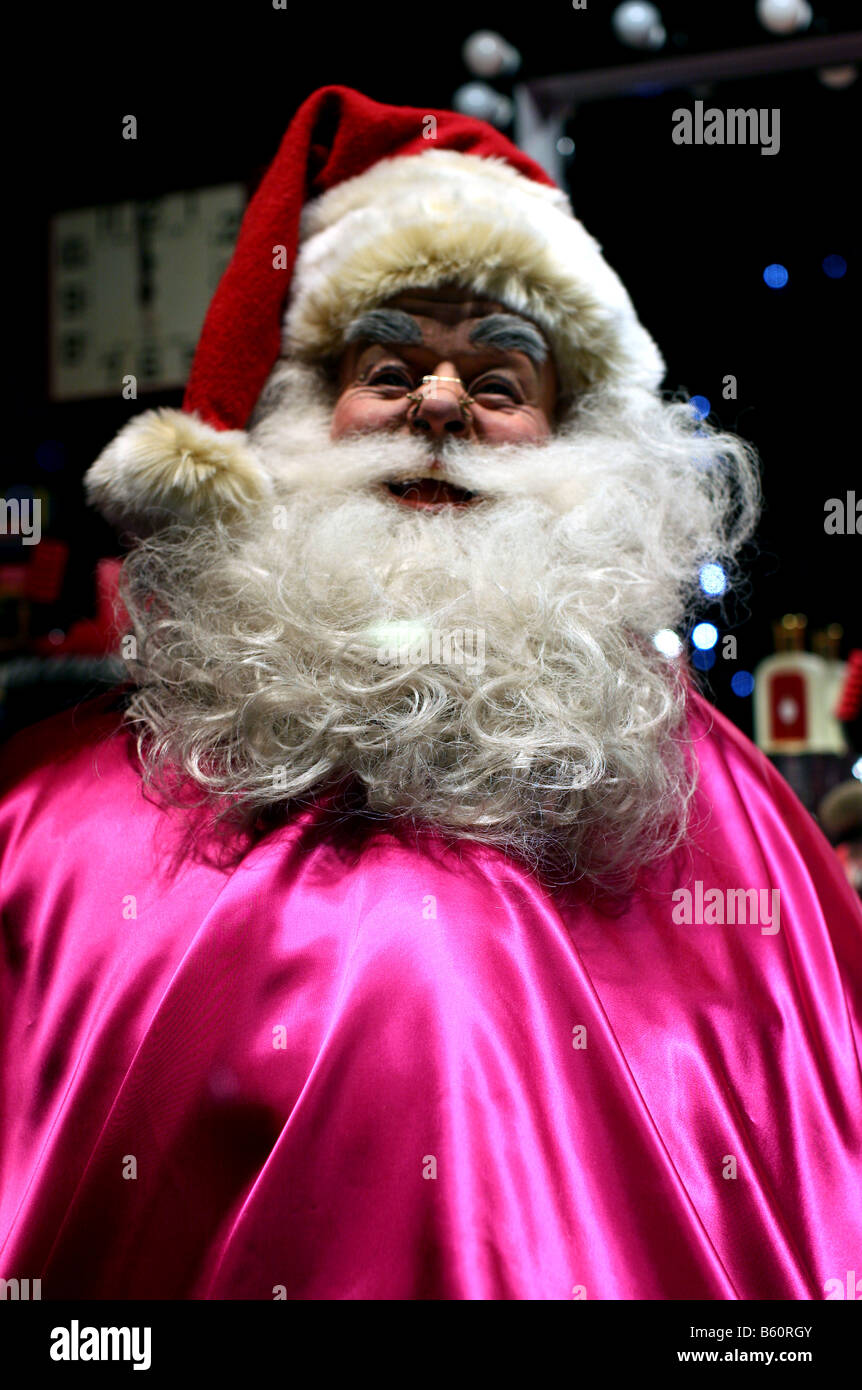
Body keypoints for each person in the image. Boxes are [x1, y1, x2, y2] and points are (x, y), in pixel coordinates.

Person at [1, 86, 860, 1302]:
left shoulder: (738, 829)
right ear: (298, 416)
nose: (441, 406)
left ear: (579, 447)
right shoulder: (44, 832)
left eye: (500, 381)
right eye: (392, 364)